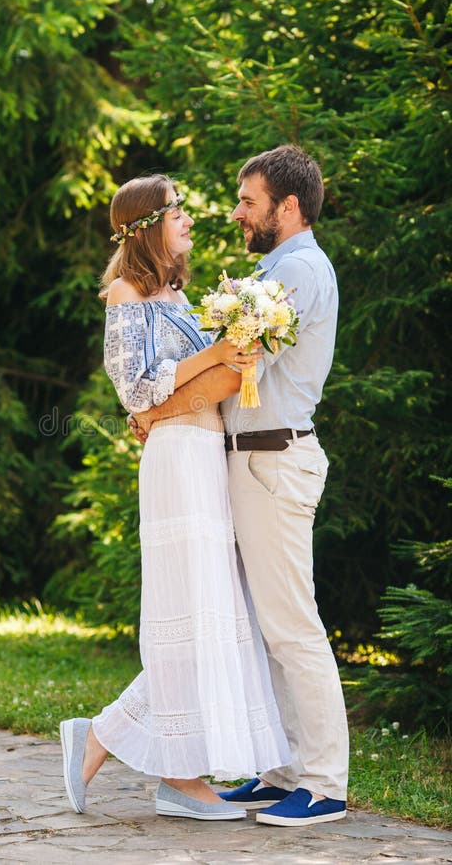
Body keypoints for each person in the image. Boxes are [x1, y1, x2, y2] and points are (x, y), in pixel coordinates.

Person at [59, 173, 291, 822]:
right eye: (178, 212)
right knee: (189, 613)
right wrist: (213, 354)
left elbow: (192, 384)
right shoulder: (126, 291)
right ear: (146, 225)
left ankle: (131, 748)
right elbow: (133, 390)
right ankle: (168, 772)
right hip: (174, 464)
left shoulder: (180, 295)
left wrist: (238, 357)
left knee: (211, 612)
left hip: (205, 455)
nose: (189, 220)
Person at [129, 146, 349, 827]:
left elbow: (235, 370)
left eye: (248, 201)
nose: (236, 213)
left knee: (291, 625)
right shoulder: (272, 271)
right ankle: (282, 771)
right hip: (245, 459)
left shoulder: (298, 273)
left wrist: (153, 411)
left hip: (272, 461)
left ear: (288, 207)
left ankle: (323, 783)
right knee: (264, 624)